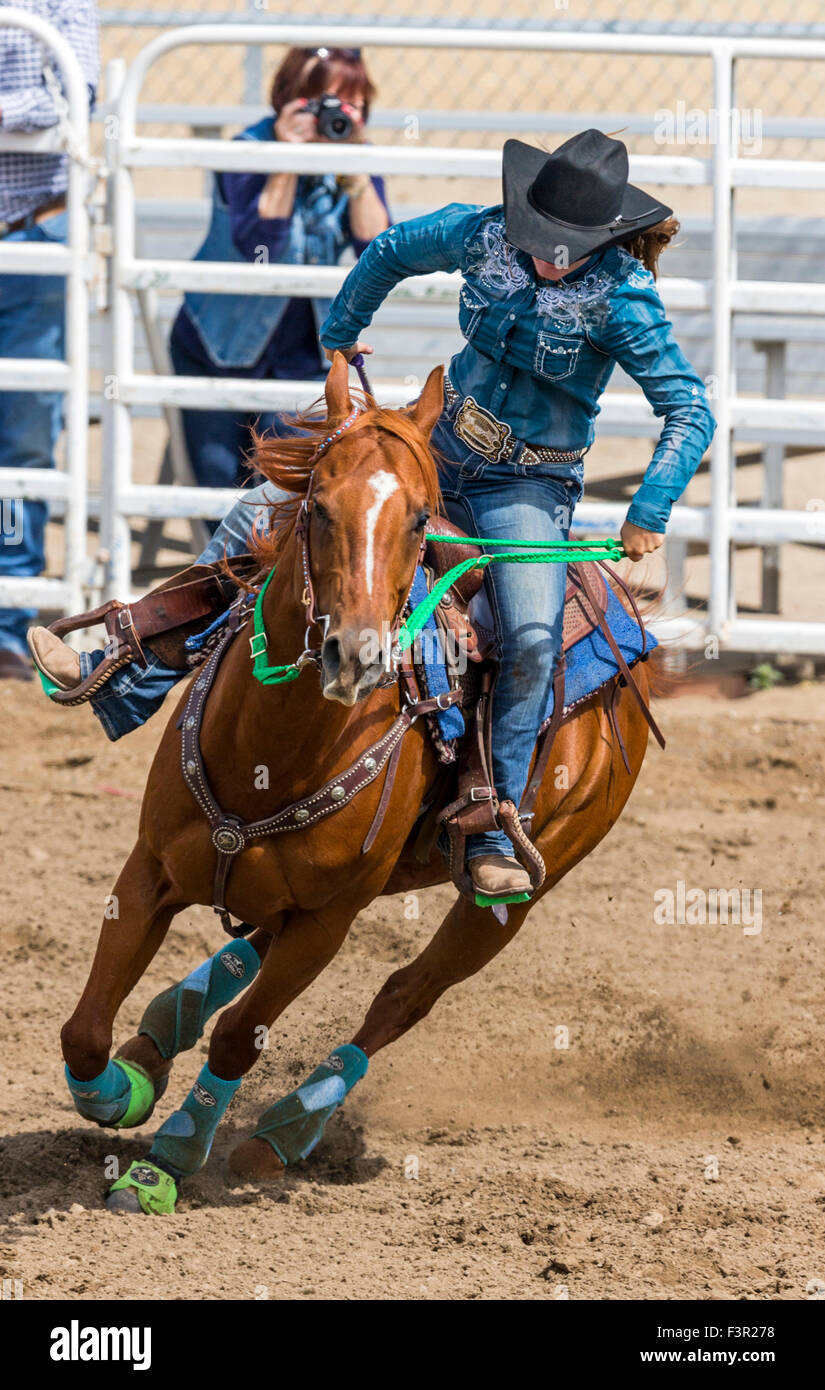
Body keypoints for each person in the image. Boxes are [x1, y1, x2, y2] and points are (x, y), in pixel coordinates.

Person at [30, 129, 715, 901]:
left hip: (525, 488)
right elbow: (389, 248)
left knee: (526, 634)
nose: (549, 259)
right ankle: (127, 662)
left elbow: (688, 409)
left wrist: (648, 509)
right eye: (539, 242)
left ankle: (490, 814)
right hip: (436, 441)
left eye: (567, 249)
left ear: (602, 238)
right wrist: (340, 337)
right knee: (272, 510)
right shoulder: (482, 232)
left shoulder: (624, 302)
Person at [168, 44, 390, 505]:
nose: (338, 116)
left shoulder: (355, 156)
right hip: (216, 347)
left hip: (301, 356)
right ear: (291, 99)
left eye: (351, 105)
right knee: (220, 487)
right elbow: (258, 248)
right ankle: (230, 577)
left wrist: (356, 172)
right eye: (324, 103)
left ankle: (267, 578)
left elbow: (377, 250)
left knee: (283, 484)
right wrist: (287, 159)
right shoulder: (248, 152)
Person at [0, 0, 99, 679]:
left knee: (25, 435)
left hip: (36, 231)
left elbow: (75, 92)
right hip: (35, 228)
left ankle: (11, 618)